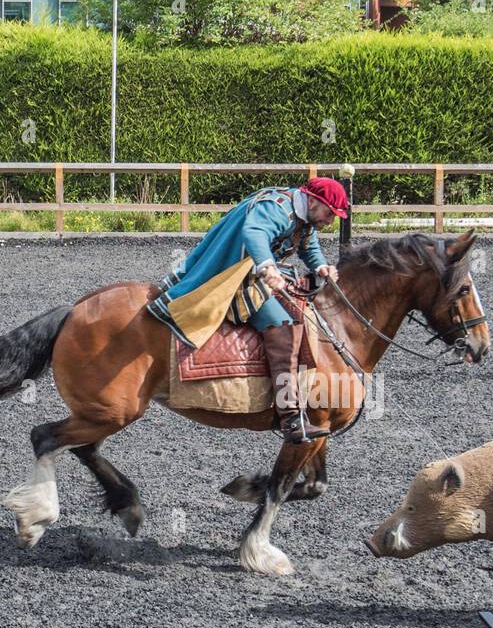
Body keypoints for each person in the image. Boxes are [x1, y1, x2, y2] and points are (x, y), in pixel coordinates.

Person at [146, 176, 350, 443]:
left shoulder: (304, 216)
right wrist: (268, 267)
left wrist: (320, 266)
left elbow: (307, 245)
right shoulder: (277, 209)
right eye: (329, 213)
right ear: (313, 201)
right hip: (232, 276)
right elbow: (254, 233)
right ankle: (291, 419)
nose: (330, 221)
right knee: (283, 327)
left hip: (254, 270)